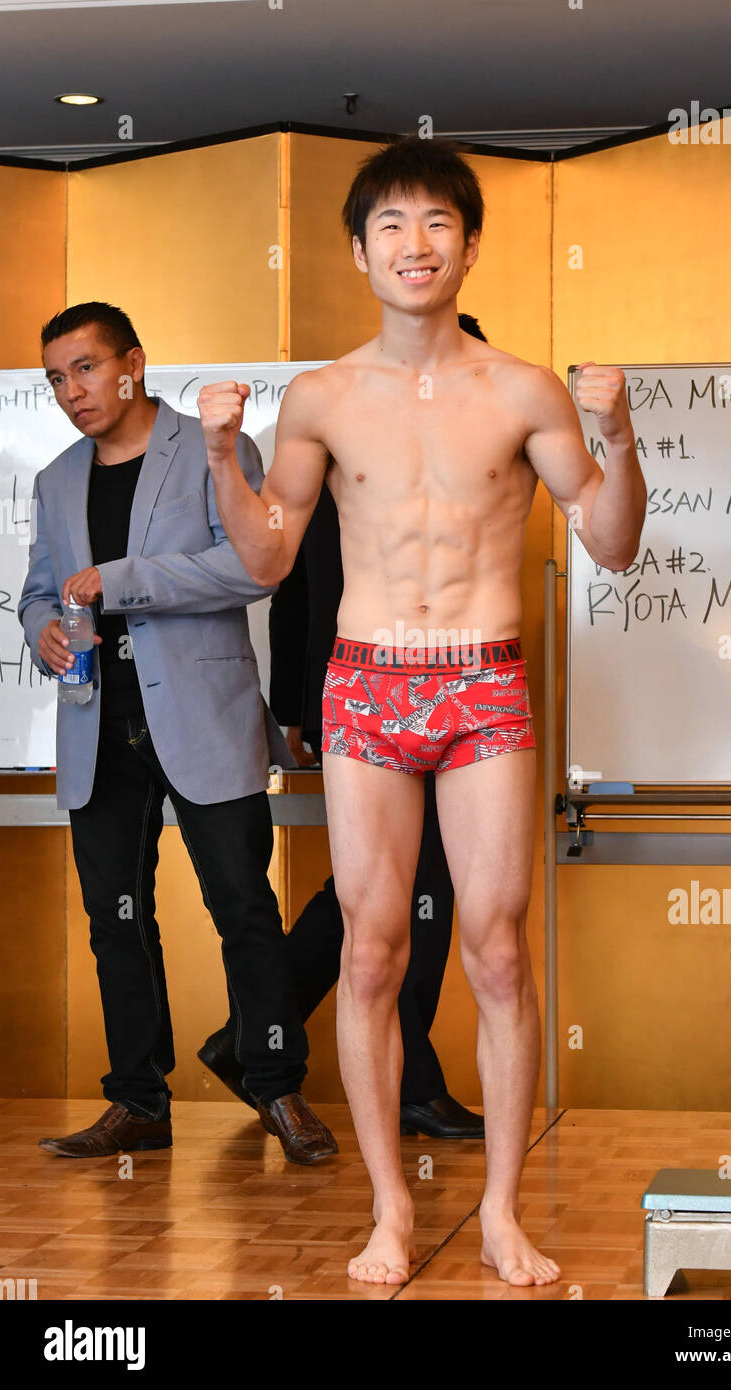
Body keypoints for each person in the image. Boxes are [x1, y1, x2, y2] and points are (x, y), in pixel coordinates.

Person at [196, 136, 647, 1286]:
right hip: (366, 680)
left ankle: (499, 1210)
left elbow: (611, 541)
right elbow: (266, 556)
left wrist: (618, 436)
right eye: (390, 225)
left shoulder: (524, 387)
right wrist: (217, 455)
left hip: (483, 673)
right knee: (370, 951)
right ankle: (389, 1212)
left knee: (497, 950)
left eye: (436, 223)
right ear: (359, 251)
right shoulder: (324, 396)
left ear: (470, 246)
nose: (415, 244)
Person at [18, 301, 335, 1165]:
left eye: (84, 369)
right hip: (97, 723)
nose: (70, 392)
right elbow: (42, 589)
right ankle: (137, 1102)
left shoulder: (215, 449)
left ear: (134, 364)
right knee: (116, 920)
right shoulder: (53, 479)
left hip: (203, 718)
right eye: (55, 378)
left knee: (243, 909)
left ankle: (276, 1089)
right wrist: (42, 628)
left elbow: (251, 568)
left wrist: (123, 579)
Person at [200, 313, 490, 1142]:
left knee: (390, 888)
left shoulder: (468, 458)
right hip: (358, 697)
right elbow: (289, 582)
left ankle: (258, 1034)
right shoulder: (339, 440)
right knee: (410, 889)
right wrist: (300, 704)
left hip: (458, 696)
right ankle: (411, 1083)